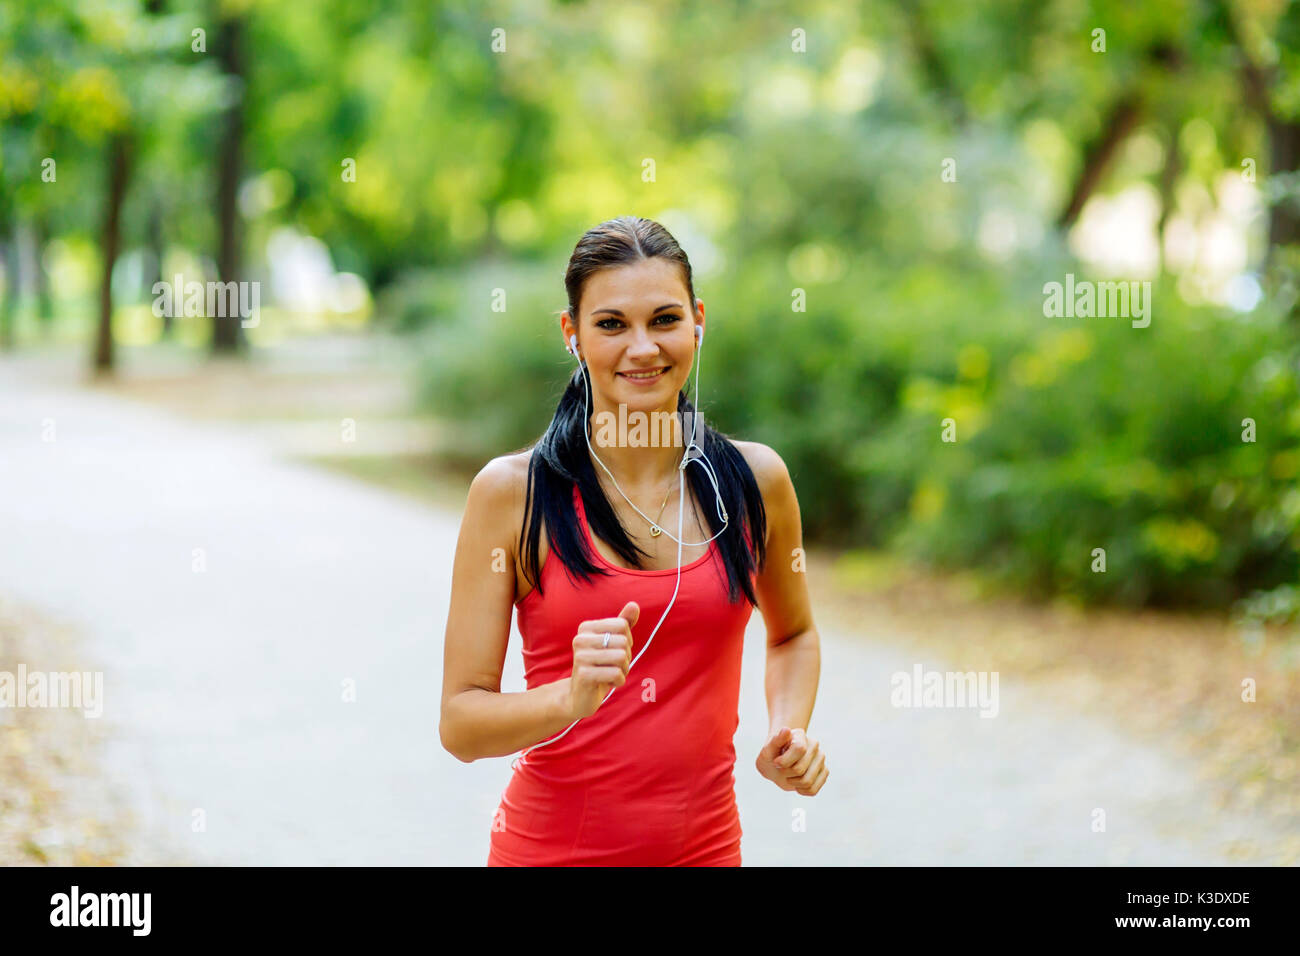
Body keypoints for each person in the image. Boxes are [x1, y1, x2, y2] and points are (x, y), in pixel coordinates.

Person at [439, 215, 826, 866]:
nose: (642, 348)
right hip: (549, 853)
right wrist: (570, 696)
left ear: (698, 322)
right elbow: (461, 724)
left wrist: (788, 730)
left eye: (665, 319)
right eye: (612, 324)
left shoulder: (756, 482)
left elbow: (793, 634)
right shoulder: (513, 495)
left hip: (705, 852)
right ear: (573, 333)